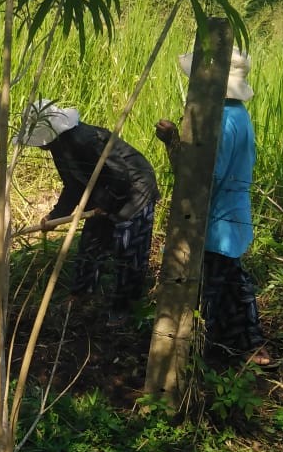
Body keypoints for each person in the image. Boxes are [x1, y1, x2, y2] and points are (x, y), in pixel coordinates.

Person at [155, 48, 270, 365]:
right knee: (234, 282)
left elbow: (203, 178)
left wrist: (173, 143)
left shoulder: (220, 122)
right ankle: (252, 343)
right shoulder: (239, 116)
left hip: (216, 222)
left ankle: (210, 355)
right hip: (234, 216)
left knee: (211, 291)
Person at [17, 99, 161, 316]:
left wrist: (108, 204)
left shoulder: (84, 140)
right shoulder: (58, 146)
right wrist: (56, 216)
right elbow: (73, 184)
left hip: (134, 188)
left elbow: (120, 173)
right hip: (104, 191)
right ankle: (80, 296)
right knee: (90, 244)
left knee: (128, 249)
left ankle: (124, 308)